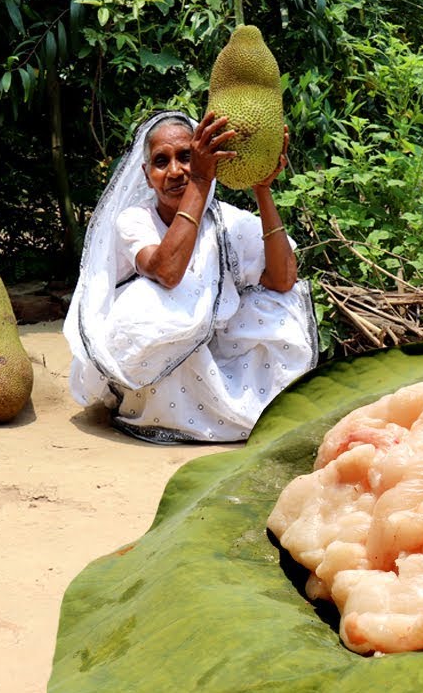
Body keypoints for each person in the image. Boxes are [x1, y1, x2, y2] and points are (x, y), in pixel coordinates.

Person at [63, 109, 319, 443]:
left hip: (216, 348)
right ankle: (163, 416)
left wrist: (262, 190)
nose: (175, 171)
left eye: (186, 157)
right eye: (161, 161)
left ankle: (240, 407)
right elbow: (168, 272)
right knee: (150, 300)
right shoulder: (134, 220)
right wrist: (200, 179)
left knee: (281, 304)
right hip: (157, 355)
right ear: (146, 174)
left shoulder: (225, 220)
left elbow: (283, 279)